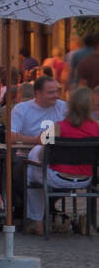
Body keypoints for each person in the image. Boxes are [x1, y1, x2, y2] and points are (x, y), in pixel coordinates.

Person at [24, 85, 99, 233]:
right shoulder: (96, 128)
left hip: (58, 177)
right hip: (86, 178)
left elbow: (42, 156)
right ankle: (87, 223)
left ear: (70, 104)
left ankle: (37, 221)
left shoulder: (57, 127)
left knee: (32, 169)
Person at [11, 76, 69, 235]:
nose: (56, 95)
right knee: (18, 172)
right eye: (51, 92)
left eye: (57, 91)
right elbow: (10, 136)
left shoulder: (64, 107)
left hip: (56, 158)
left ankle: (40, 215)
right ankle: (32, 213)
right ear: (38, 93)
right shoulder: (21, 109)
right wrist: (36, 140)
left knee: (62, 178)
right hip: (25, 155)